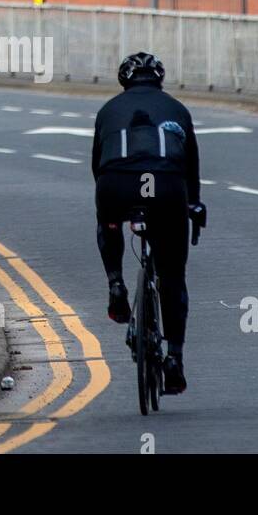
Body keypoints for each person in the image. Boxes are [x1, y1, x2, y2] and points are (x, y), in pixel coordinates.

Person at [91, 52, 203, 395]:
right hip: (167, 187)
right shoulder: (178, 110)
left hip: (117, 185)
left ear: (124, 81)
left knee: (108, 222)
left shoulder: (108, 110)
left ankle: (115, 285)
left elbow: (97, 167)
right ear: (159, 80)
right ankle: (175, 360)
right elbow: (192, 170)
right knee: (172, 275)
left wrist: (111, 207)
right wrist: (194, 206)